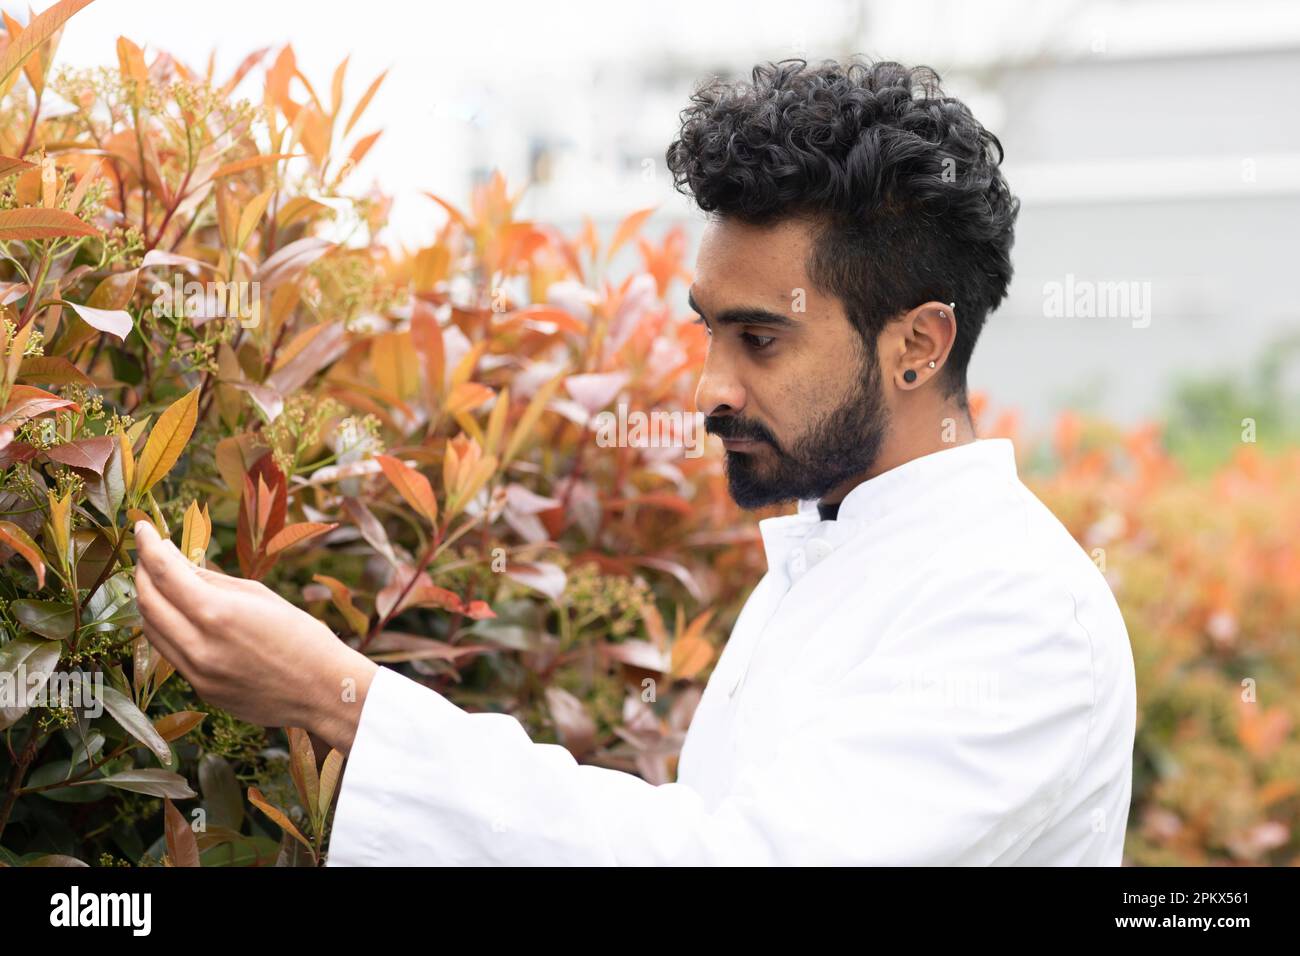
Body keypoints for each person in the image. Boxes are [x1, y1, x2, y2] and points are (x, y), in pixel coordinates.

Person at [134, 57, 1136, 865]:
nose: (708, 386)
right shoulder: (831, 551)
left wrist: (334, 696)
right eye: (707, 330)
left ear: (916, 344)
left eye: (760, 338)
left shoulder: (1015, 610)